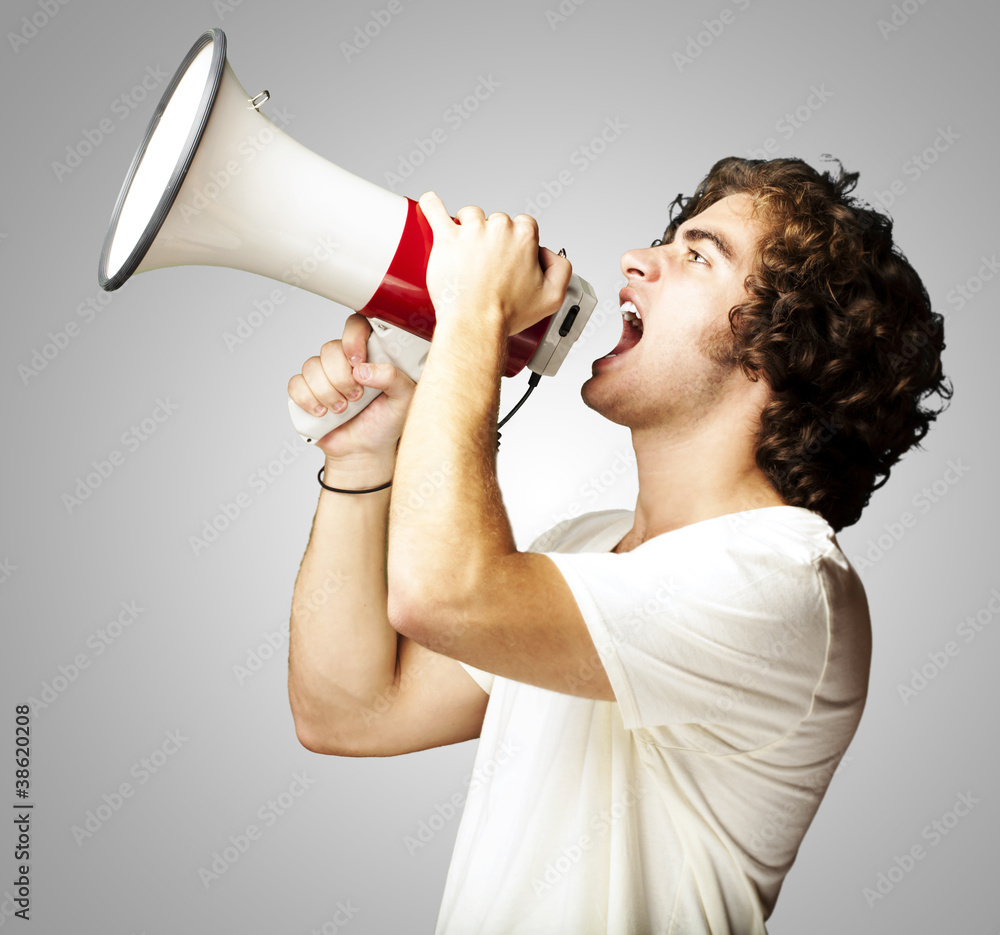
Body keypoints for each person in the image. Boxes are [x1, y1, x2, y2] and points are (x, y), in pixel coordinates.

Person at [285, 156, 951, 934]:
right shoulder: (583, 549)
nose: (639, 259)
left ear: (776, 351)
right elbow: (349, 711)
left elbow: (444, 591)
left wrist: (471, 316)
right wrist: (362, 461)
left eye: (698, 256)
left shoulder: (789, 581)